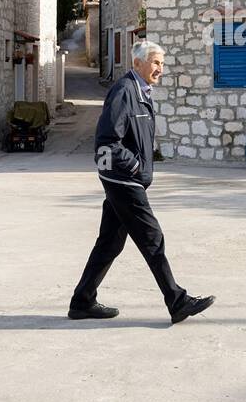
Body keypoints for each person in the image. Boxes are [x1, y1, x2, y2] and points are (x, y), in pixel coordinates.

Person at [69, 40, 215, 325]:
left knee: (109, 244)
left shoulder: (142, 92)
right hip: (123, 181)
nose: (160, 68)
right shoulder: (125, 91)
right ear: (137, 63)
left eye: (162, 63)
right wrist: (134, 167)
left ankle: (82, 301)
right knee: (152, 238)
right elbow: (106, 143)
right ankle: (177, 300)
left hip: (125, 180)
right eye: (155, 62)